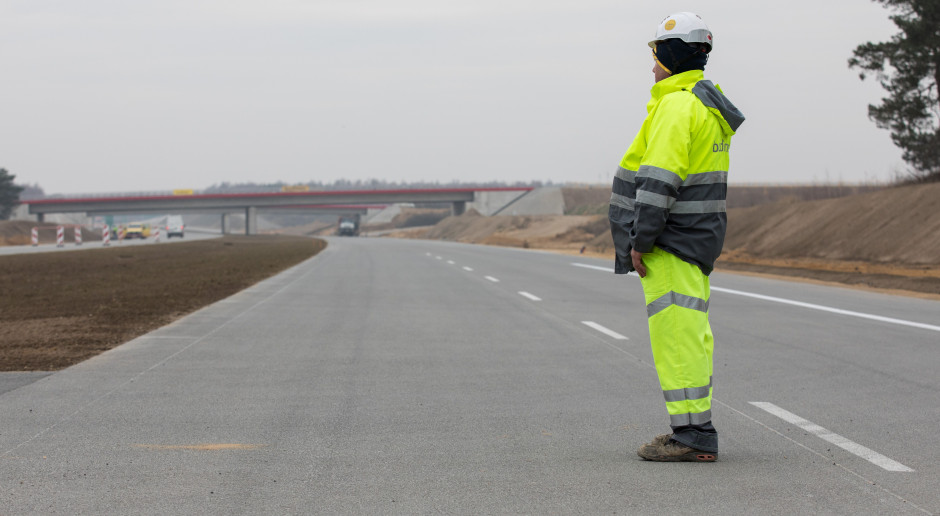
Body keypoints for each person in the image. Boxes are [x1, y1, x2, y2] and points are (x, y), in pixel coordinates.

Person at [608, 12, 744, 462]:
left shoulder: (677, 105)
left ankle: (692, 435)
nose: (651, 65)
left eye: (655, 54)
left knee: (676, 337)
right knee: (691, 332)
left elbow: (659, 181)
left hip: (670, 241)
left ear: (670, 54)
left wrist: (640, 240)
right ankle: (695, 428)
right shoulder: (705, 104)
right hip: (696, 239)